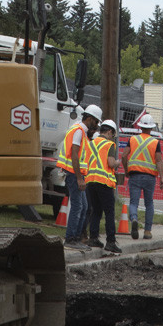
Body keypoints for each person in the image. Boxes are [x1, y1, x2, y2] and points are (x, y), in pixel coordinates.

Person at [56, 104, 101, 243]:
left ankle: (76, 237)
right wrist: (79, 178)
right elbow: (75, 155)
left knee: (84, 207)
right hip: (74, 175)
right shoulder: (79, 131)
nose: (97, 124)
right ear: (90, 118)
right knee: (78, 207)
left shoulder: (81, 131)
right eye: (96, 121)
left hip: (76, 175)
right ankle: (71, 238)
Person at [80, 118, 122, 254]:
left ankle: (93, 238)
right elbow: (110, 163)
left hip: (90, 181)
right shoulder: (109, 145)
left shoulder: (91, 143)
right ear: (109, 132)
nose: (113, 138)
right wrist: (118, 162)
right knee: (109, 212)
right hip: (104, 181)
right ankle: (111, 241)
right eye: (113, 135)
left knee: (96, 211)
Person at [126, 113, 162, 241]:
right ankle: (147, 231)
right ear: (151, 128)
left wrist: (126, 171)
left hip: (134, 175)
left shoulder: (132, 139)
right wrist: (162, 178)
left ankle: (134, 218)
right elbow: (158, 161)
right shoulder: (155, 142)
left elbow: (124, 156)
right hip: (149, 177)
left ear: (140, 127)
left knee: (133, 202)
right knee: (149, 204)